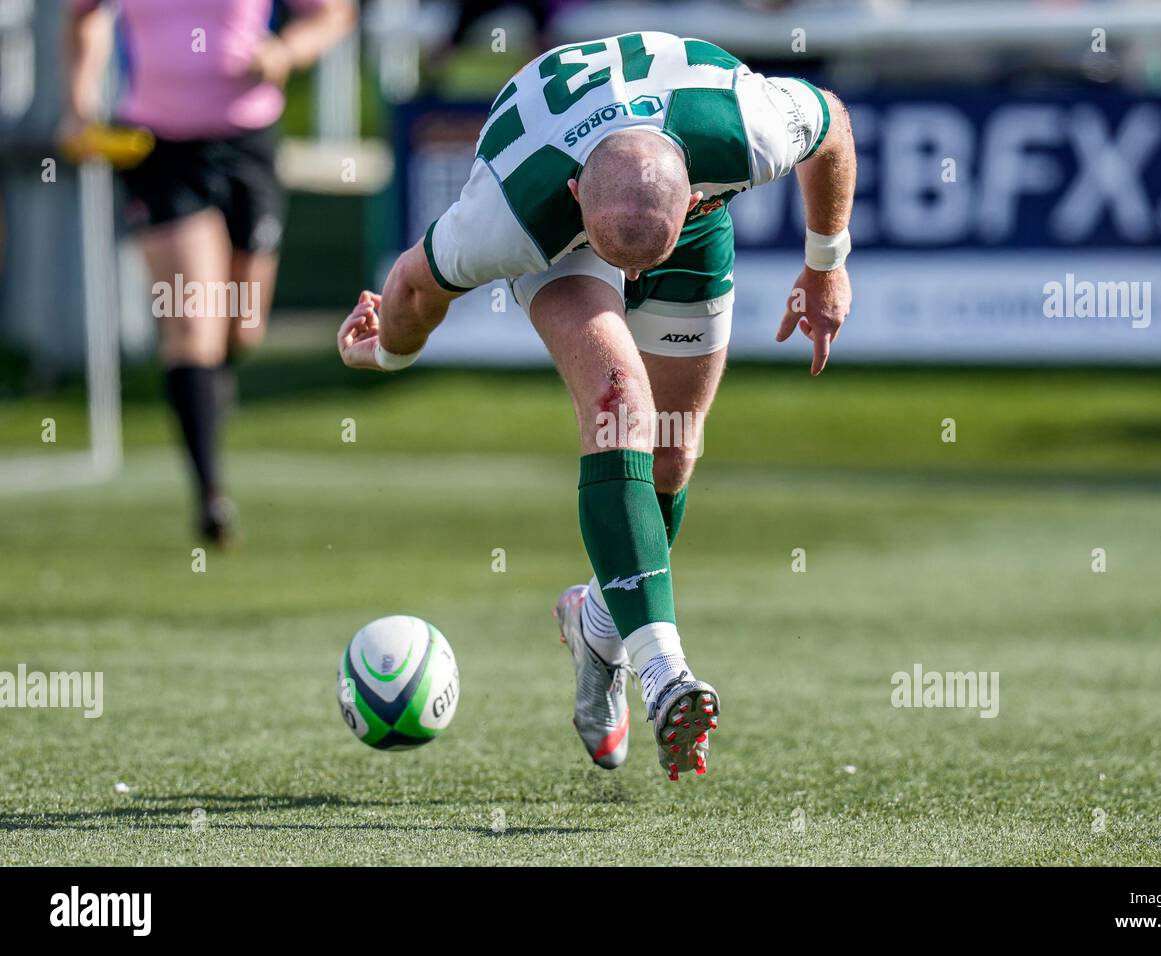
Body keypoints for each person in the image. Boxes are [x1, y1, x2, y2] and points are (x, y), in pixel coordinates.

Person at [339, 32, 855, 780]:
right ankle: (665, 675)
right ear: (581, 196)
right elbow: (417, 288)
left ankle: (598, 623)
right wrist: (386, 347)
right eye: (622, 265)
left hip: (663, 195)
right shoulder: (510, 215)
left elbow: (833, 122)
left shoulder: (749, 128)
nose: (630, 283)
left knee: (673, 449)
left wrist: (826, 262)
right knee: (620, 405)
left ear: (698, 190)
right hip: (558, 224)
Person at [63, 0, 356, 545]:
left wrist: (286, 50)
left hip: (246, 141)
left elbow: (333, 14)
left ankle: (209, 389)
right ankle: (210, 495)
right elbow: (84, 15)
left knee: (241, 327)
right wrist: (80, 104)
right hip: (159, 148)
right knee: (192, 321)